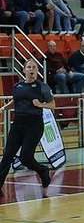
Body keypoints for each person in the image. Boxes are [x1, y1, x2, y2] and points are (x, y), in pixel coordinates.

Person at [0, 59, 55, 193]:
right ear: (24, 70)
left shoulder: (43, 87)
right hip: (18, 124)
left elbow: (53, 105)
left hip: (34, 125)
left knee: (25, 158)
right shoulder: (17, 86)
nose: (31, 70)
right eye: (29, 67)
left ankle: (43, 171)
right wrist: (5, 107)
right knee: (7, 156)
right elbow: (16, 100)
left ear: (37, 71)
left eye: (34, 67)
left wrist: (40, 105)